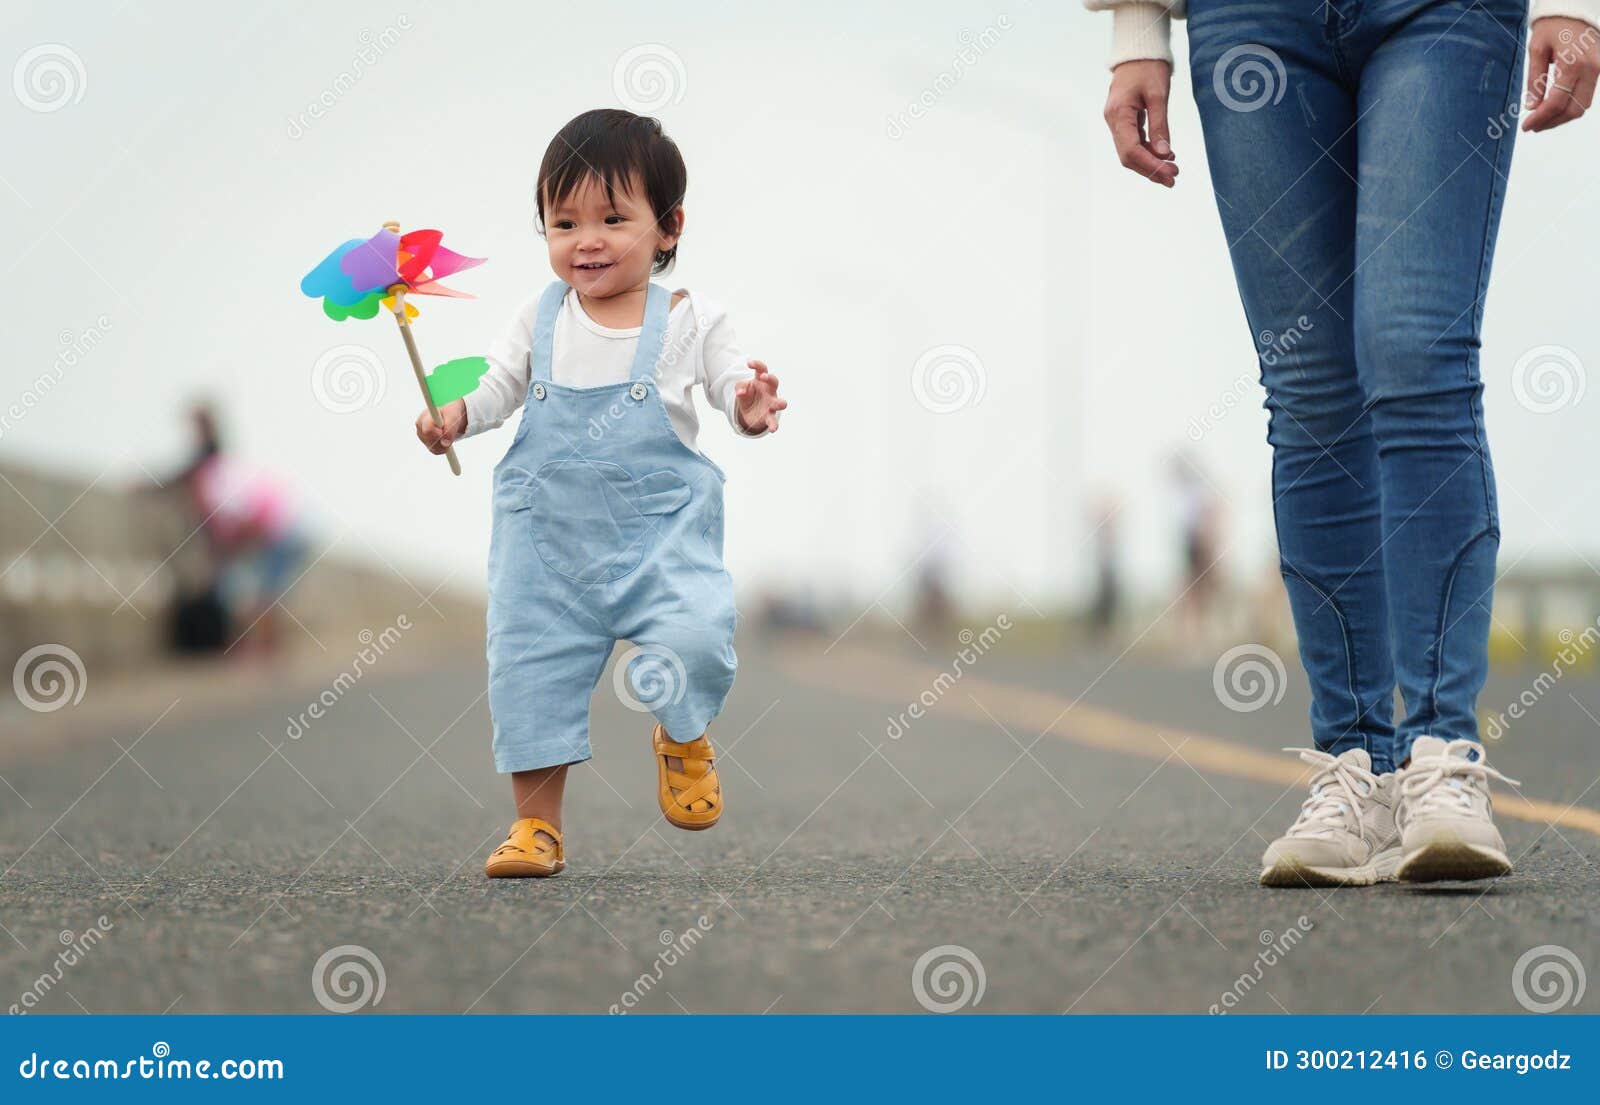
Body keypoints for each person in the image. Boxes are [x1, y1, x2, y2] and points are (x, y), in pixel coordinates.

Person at [1088, 0, 1599, 884]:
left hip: (1444, 14)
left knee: (1415, 349)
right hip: (1248, 19)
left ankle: (1442, 755)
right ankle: (1354, 767)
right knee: (1311, 388)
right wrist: (1135, 29)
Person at [417, 109, 787, 878]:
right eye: (563, 220)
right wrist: (454, 415)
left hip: (661, 541)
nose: (586, 239)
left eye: (613, 218)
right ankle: (536, 827)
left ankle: (681, 734)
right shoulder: (538, 316)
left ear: (668, 225)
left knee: (695, 639)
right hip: (547, 550)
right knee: (527, 674)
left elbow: (727, 386)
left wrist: (748, 409)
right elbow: (497, 389)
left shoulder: (690, 318)